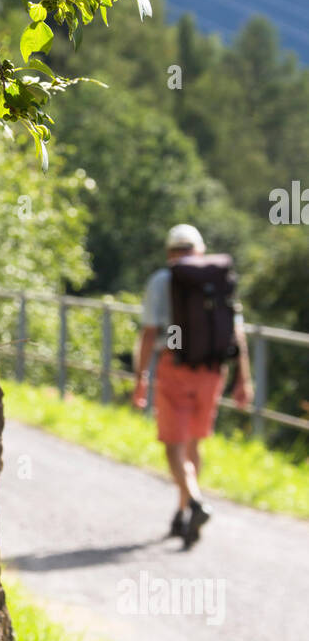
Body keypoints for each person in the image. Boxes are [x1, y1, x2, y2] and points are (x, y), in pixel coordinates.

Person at [132, 224, 254, 548]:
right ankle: (183, 511)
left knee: (174, 443)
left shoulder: (164, 279)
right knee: (194, 443)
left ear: (170, 251)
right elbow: (236, 333)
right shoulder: (217, 277)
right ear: (199, 249)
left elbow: (149, 332)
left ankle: (195, 501)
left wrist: (141, 377)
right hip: (213, 370)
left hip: (175, 365)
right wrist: (244, 379)